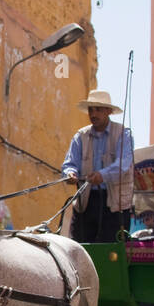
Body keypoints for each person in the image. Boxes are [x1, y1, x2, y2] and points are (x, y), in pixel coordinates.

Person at [62, 88, 134, 243]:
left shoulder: (123, 133)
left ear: (108, 111)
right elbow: (70, 163)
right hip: (86, 202)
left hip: (115, 205)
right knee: (80, 247)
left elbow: (124, 165)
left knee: (111, 250)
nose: (93, 114)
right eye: (91, 110)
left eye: (98, 110)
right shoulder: (80, 136)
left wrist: (102, 175)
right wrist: (70, 173)